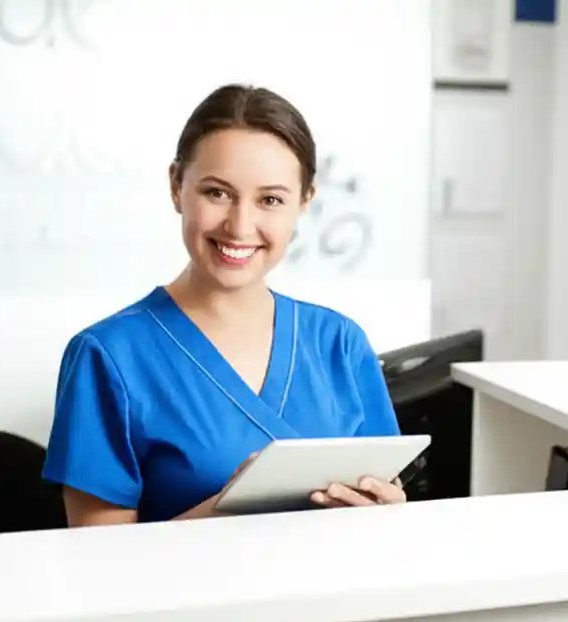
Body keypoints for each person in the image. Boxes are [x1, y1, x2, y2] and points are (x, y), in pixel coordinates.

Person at [42, 83, 406, 526]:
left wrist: (387, 511)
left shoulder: (340, 343)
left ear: (304, 203)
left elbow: (386, 507)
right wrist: (235, 502)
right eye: (217, 193)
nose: (240, 225)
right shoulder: (108, 356)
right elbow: (96, 560)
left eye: (270, 200)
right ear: (177, 186)